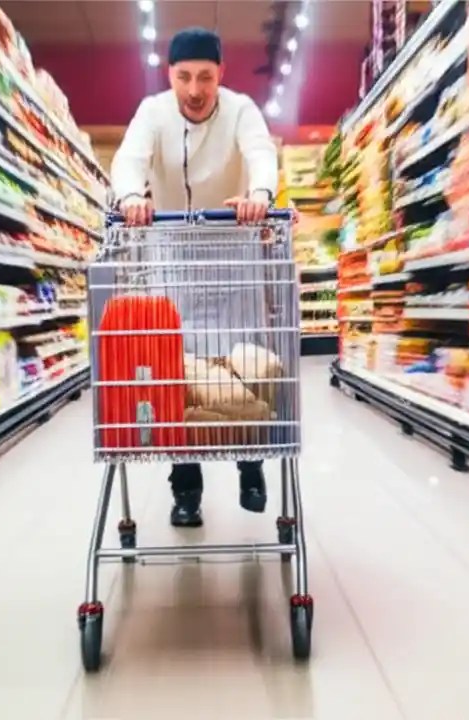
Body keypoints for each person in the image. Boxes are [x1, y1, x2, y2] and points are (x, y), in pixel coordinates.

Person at [110, 26, 280, 529]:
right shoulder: (153, 112)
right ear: (170, 75)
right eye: (184, 77)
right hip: (173, 260)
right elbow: (129, 158)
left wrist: (262, 195)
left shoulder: (242, 109)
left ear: (221, 75)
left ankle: (251, 464)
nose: (195, 90)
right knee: (176, 374)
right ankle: (186, 488)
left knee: (244, 364)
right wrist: (130, 197)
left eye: (206, 76)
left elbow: (261, 153)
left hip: (232, 253)